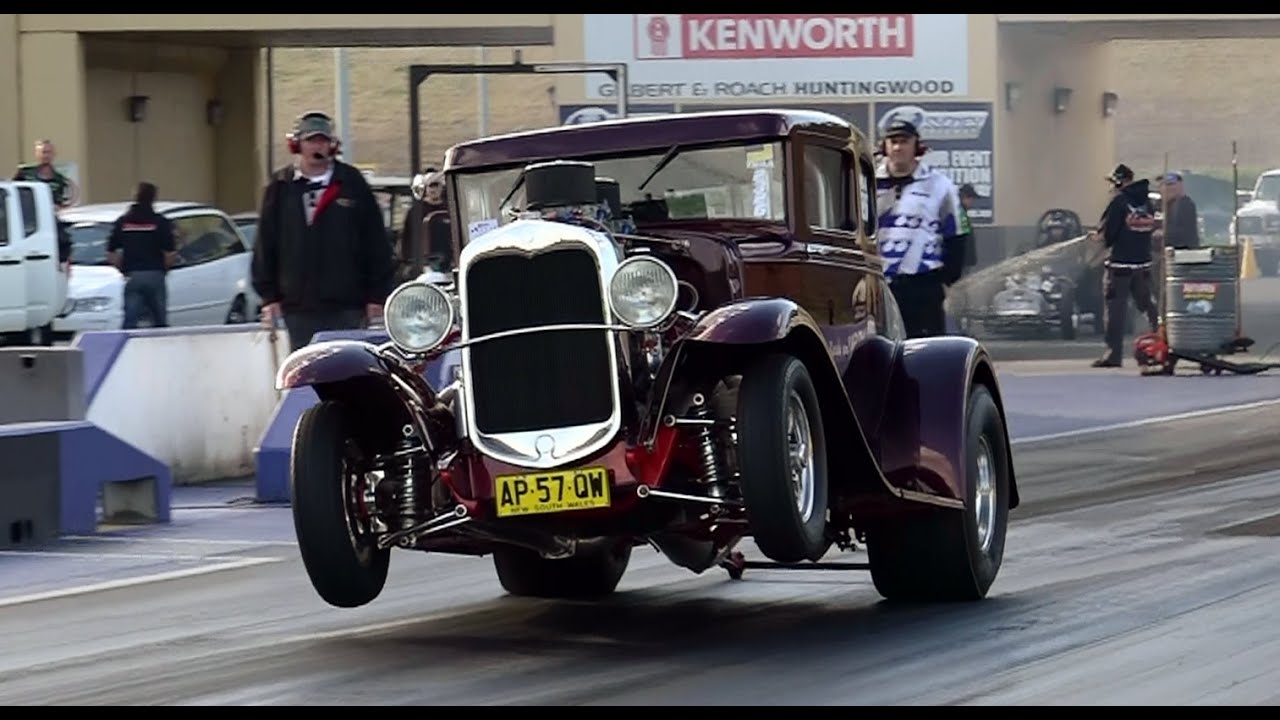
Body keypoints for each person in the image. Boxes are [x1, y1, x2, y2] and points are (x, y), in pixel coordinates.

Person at [251, 110, 396, 353]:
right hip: (297, 308)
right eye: (311, 140)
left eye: (322, 140)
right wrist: (269, 297)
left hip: (348, 306)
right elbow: (266, 245)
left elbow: (376, 243)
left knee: (347, 372)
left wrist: (376, 296)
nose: (317, 146)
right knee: (306, 377)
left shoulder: (352, 183)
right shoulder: (280, 186)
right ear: (297, 145)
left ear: (332, 145)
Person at [874, 119, 971, 338]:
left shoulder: (940, 185)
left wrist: (947, 280)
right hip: (878, 286)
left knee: (925, 354)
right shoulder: (866, 183)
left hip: (923, 286)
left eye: (904, 141)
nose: (898, 147)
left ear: (917, 146)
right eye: (893, 141)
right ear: (884, 146)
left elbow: (957, 235)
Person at [1090, 163, 1161, 368]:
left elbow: (1108, 234)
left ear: (1120, 182)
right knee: (1148, 305)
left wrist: (1097, 239)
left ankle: (1114, 354)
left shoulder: (1119, 202)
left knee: (1115, 311)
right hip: (1142, 264)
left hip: (1119, 266)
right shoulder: (1146, 201)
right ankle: (1163, 339)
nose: (1111, 187)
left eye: (1112, 183)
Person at [105, 182, 178, 329]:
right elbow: (170, 254)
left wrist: (123, 268)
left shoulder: (123, 222)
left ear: (135, 196)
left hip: (133, 276)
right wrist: (163, 270)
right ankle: (160, 348)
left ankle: (129, 349)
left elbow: (110, 253)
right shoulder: (160, 222)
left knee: (130, 323)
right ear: (153, 198)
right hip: (155, 276)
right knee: (160, 323)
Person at [12, 139, 79, 210]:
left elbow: (64, 202)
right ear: (37, 154)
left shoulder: (60, 179)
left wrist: (59, 207)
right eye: (43, 152)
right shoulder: (25, 174)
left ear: (53, 154)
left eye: (49, 152)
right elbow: (13, 193)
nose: (46, 155)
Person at [1160, 172, 1200, 250]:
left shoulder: (1185, 204)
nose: (1167, 188)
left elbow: (1185, 232)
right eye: (1164, 185)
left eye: (1171, 184)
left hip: (1183, 250)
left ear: (1180, 186)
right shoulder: (1166, 205)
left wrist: (1163, 233)